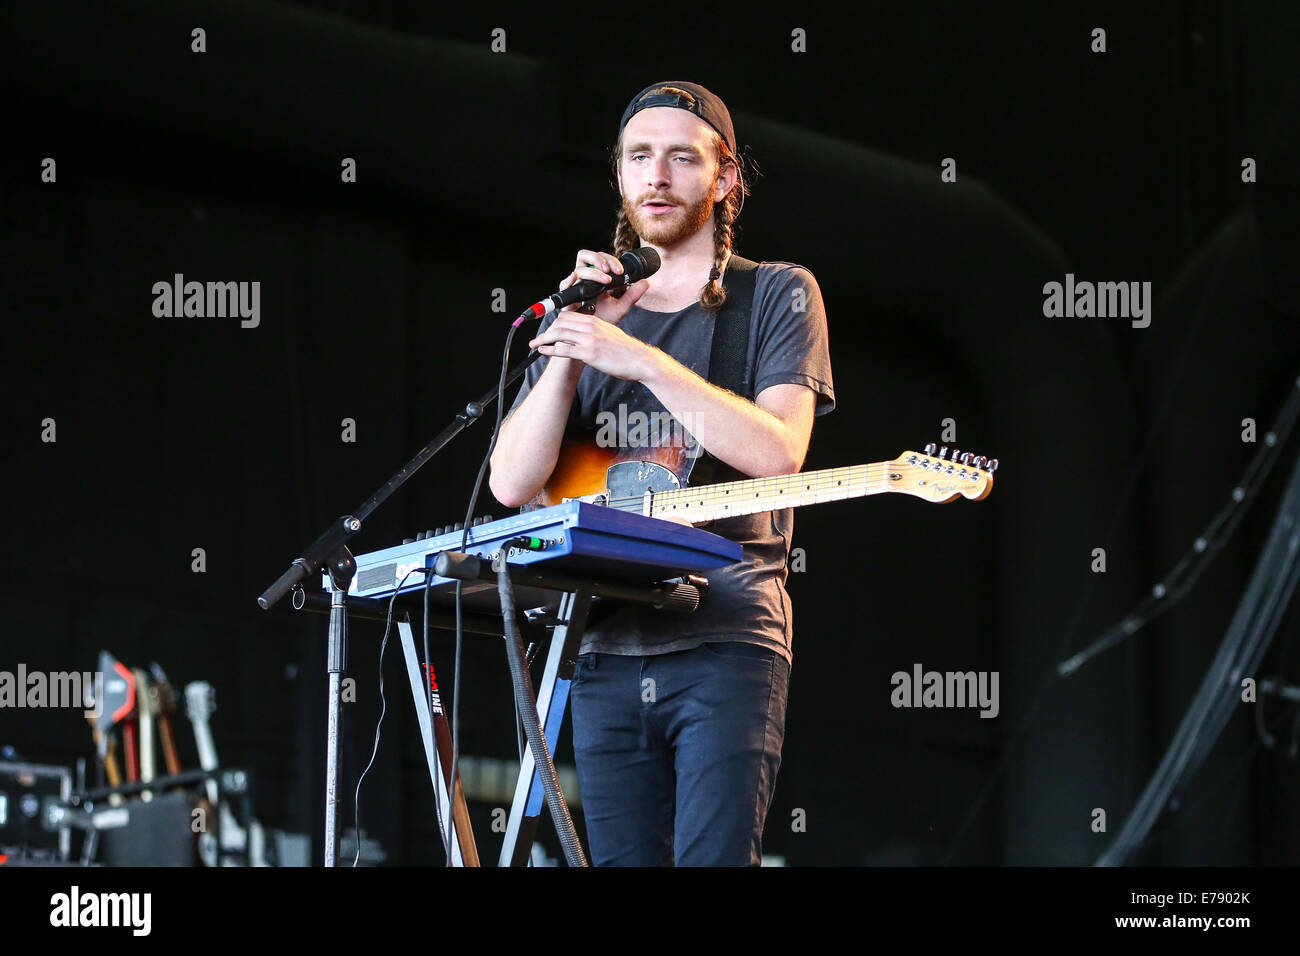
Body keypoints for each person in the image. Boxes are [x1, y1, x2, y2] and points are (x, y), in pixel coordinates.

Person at [488, 81, 834, 866]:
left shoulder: (774, 293)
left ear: (726, 178)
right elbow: (512, 484)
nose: (658, 176)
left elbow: (780, 449)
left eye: (684, 157)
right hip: (605, 646)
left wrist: (637, 358)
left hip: (726, 637)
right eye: (640, 157)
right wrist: (577, 352)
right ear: (618, 176)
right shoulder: (591, 312)